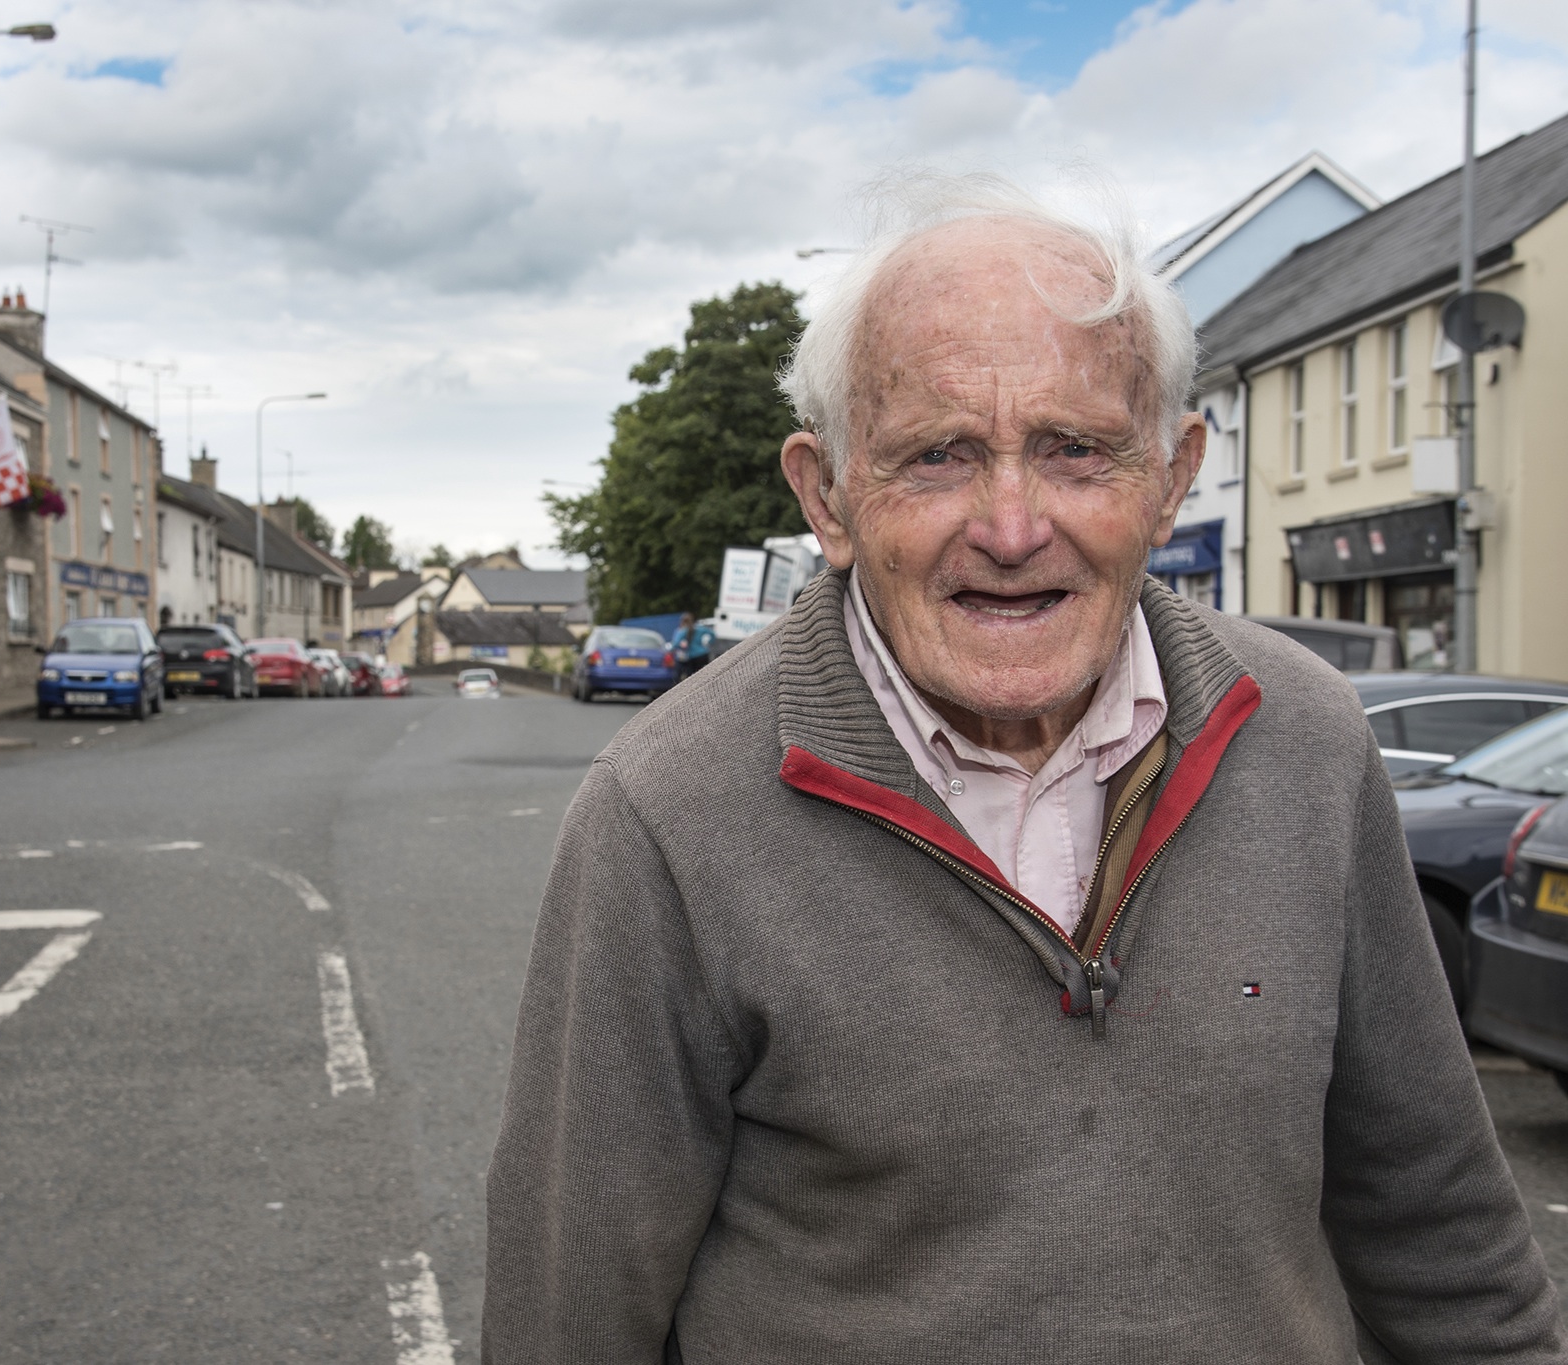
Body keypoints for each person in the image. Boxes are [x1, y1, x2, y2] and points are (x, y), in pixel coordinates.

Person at [481, 172, 1565, 1363]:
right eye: (937, 456)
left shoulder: (1304, 737)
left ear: (1171, 477)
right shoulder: (668, 809)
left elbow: (1439, 1229)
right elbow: (570, 1312)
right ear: (827, 498)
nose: (1010, 527)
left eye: (1076, 451)